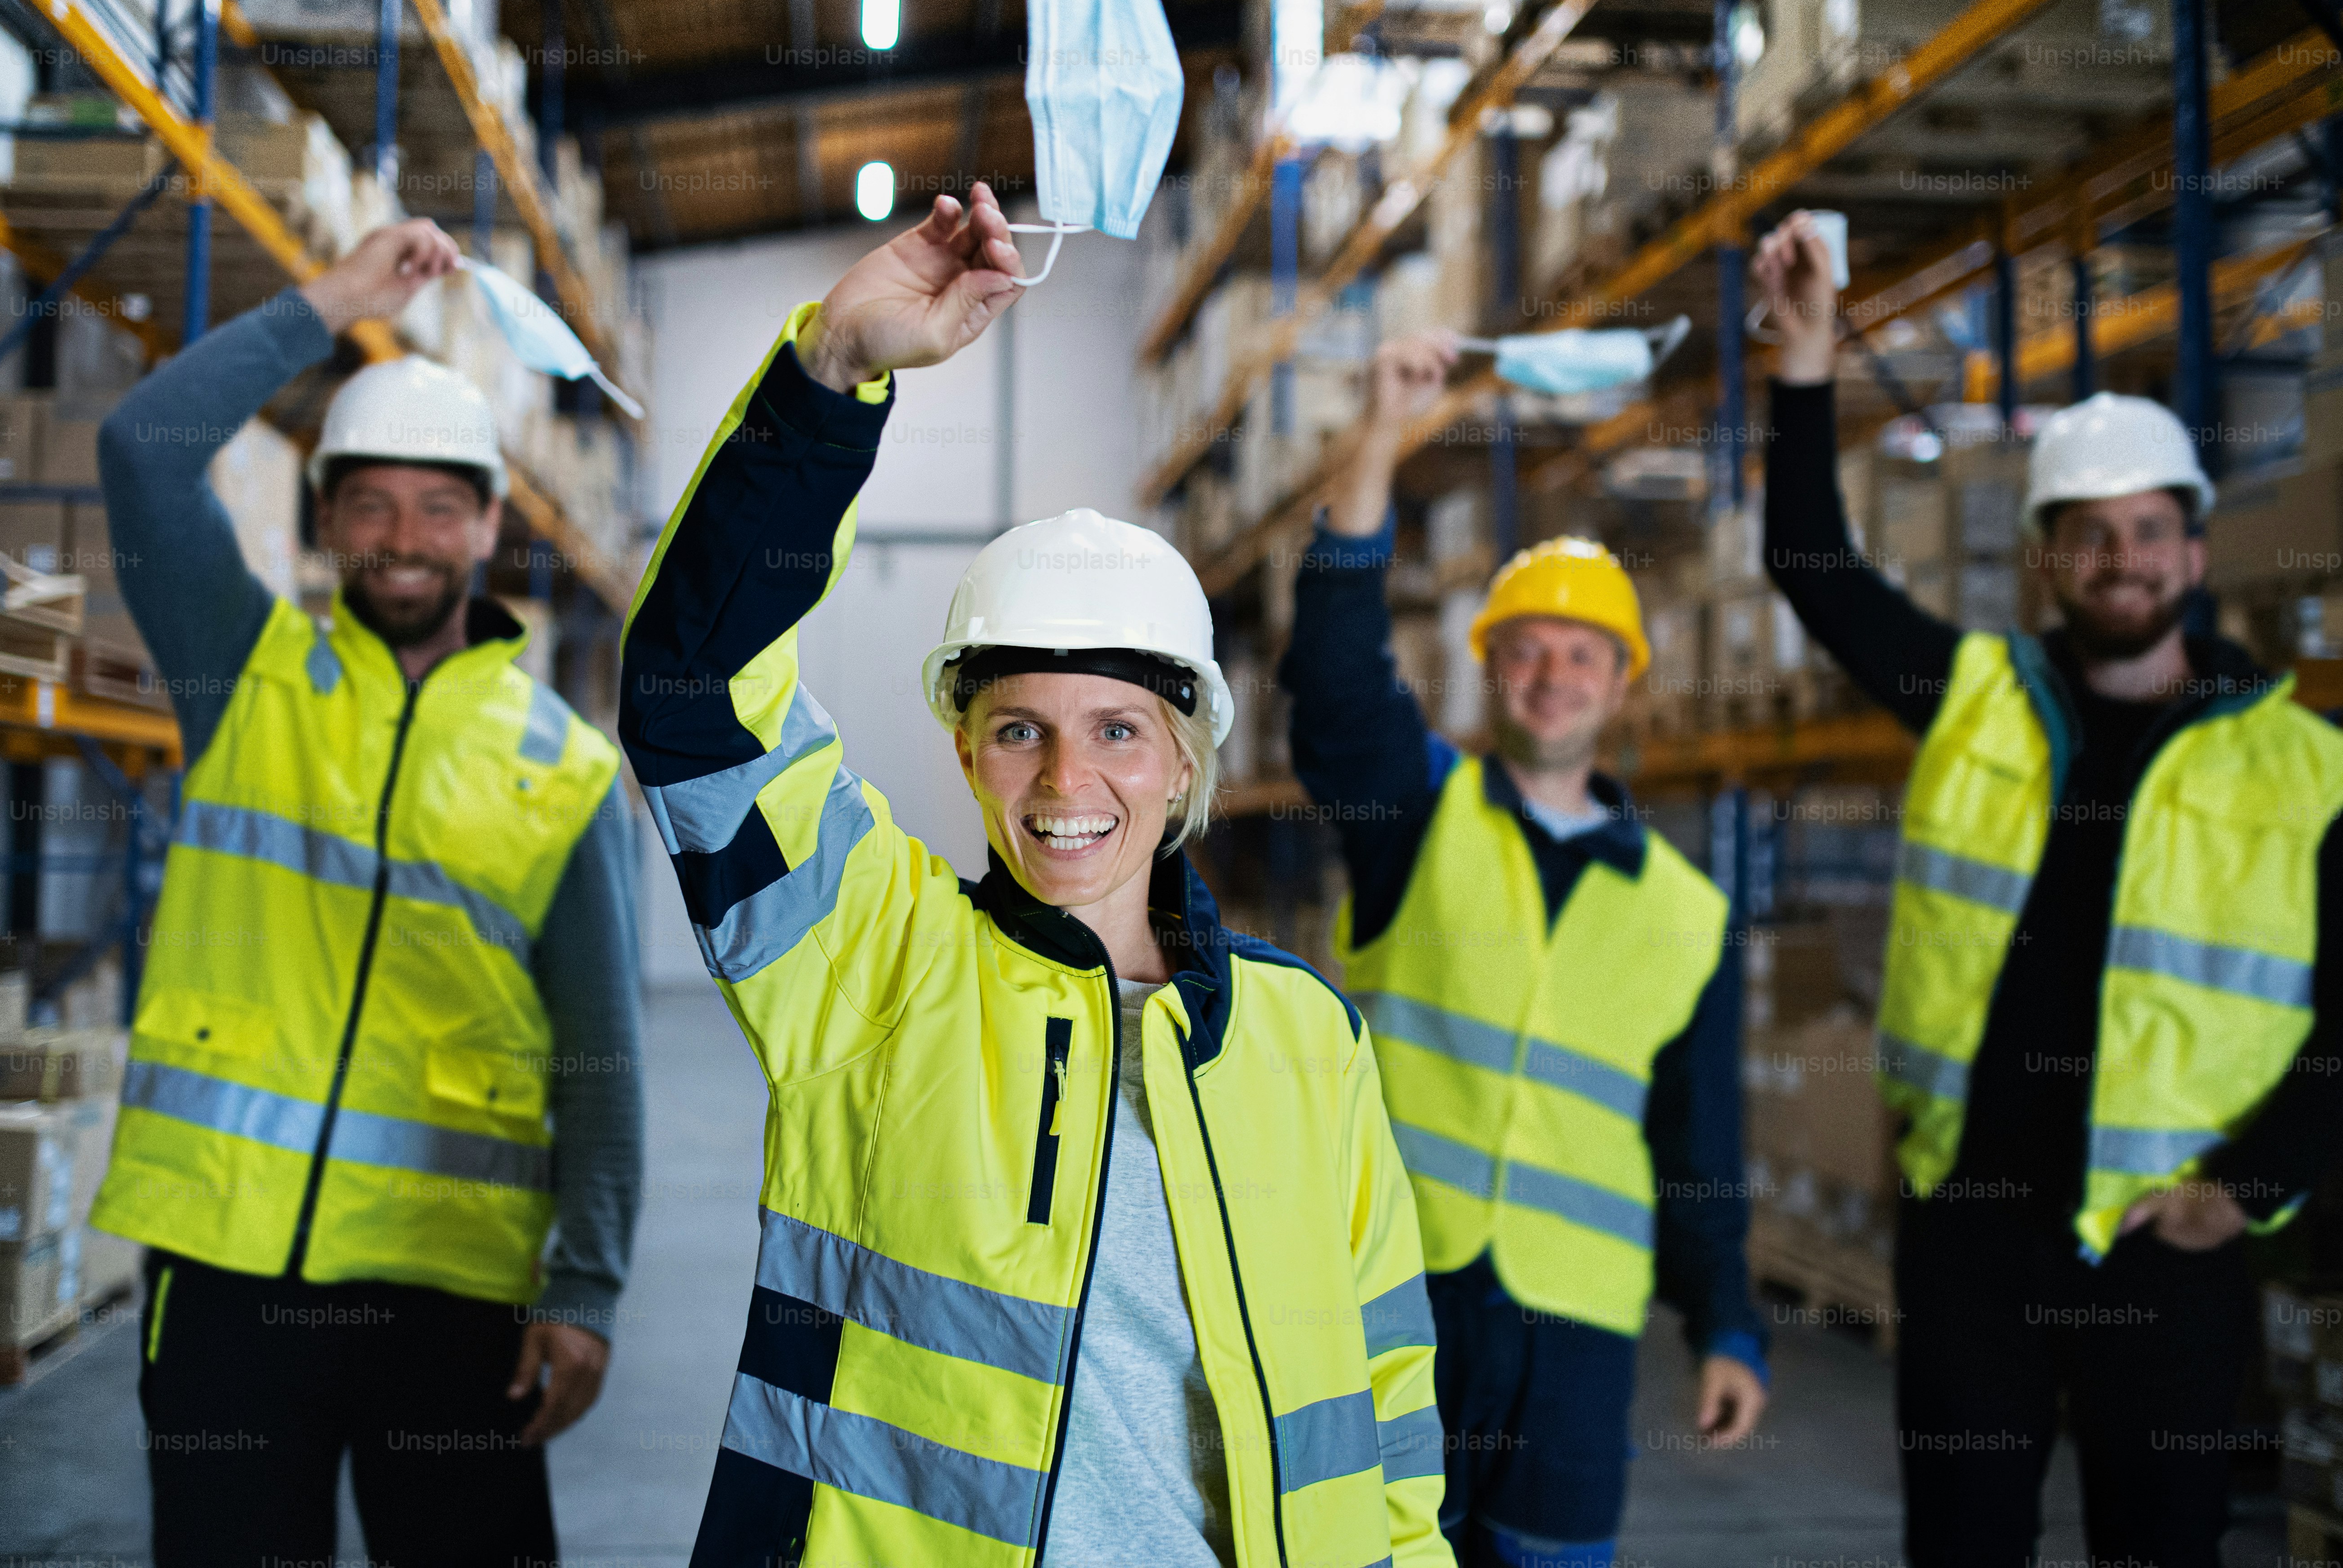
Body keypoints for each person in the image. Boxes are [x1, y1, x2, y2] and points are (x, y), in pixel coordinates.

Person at [618, 181, 1452, 1568]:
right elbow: (692, 696)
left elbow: (1391, 1399)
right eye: (1021, 732)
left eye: (1119, 733)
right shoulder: (874, 963)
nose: (1068, 786)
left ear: (1186, 763)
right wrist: (833, 374)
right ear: (965, 750)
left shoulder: (1308, 1039)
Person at [1756, 208, 2343, 1567]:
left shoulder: (2307, 766)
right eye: (2091, 534)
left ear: (2194, 554)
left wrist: (2244, 1195)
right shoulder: (1972, 697)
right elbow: (1814, 568)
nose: (2124, 559)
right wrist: (1802, 363)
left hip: (2167, 1247)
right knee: (1964, 1545)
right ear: (2045, 559)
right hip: (1974, 1230)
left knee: (2161, 1547)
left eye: (2150, 532)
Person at [85, 219, 645, 1566]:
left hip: (452, 1293)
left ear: (490, 525)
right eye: (373, 504)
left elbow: (603, 1053)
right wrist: (335, 302)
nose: (406, 538)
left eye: (441, 505)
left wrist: (587, 1283)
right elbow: (141, 449)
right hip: (228, 1269)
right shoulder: (241, 672)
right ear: (327, 518)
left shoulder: (560, 770)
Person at [1278, 333, 1770, 1568]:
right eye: (1528, 651)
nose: (1554, 676)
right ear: (1489, 668)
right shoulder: (1416, 816)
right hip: (1399, 1297)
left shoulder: (1689, 915)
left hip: (1578, 1338)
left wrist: (1729, 1326)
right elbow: (1336, 686)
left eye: (1583, 655)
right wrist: (1380, 436)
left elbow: (1699, 1143)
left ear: (1623, 686)